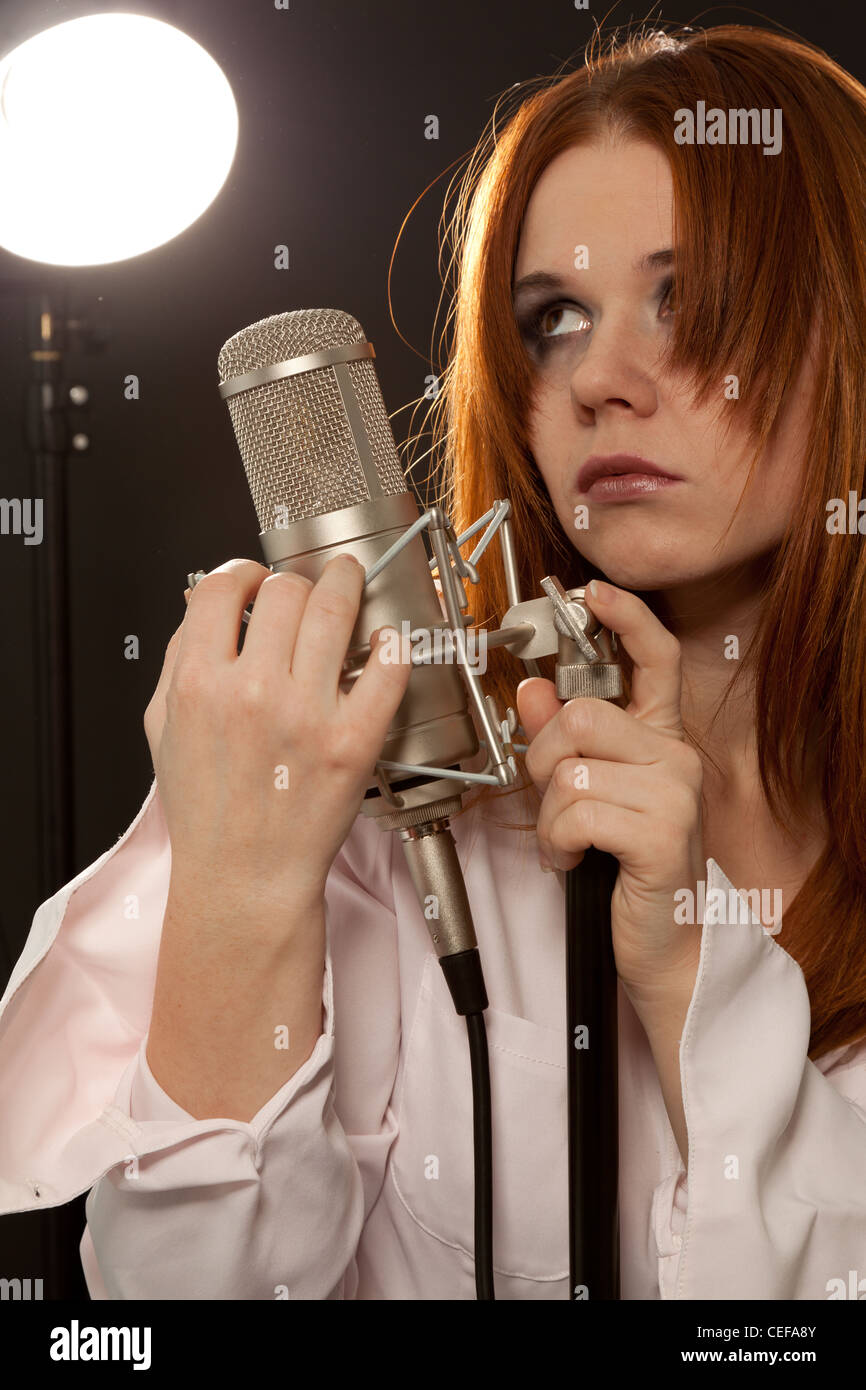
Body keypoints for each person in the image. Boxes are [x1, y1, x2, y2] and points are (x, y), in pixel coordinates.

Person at [1, 21, 865, 1301]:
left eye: (681, 298)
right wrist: (240, 891)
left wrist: (689, 974)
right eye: (554, 318)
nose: (597, 382)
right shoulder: (402, 812)